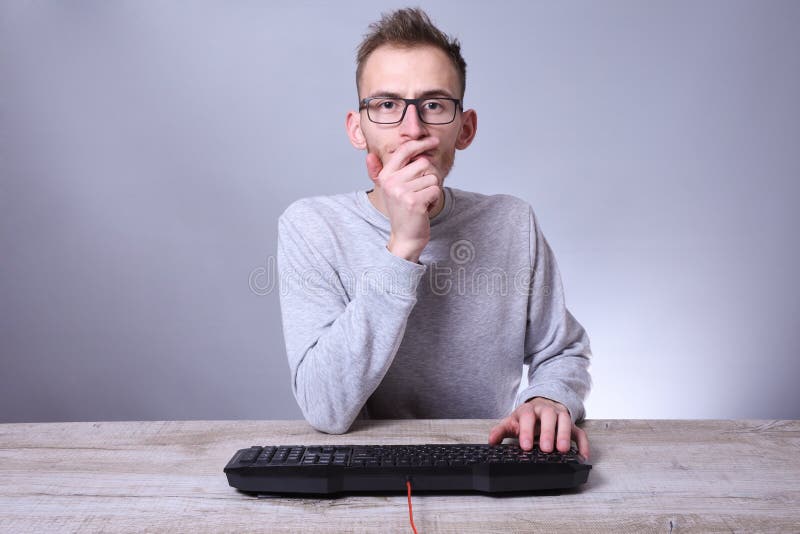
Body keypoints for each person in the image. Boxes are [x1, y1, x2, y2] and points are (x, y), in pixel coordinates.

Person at [277, 8, 592, 458]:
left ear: (465, 129)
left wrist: (548, 398)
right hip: (362, 477)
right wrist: (403, 248)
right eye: (386, 105)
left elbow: (561, 351)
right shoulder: (310, 227)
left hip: (487, 462)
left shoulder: (512, 222)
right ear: (357, 129)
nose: (412, 130)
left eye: (434, 105)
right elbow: (325, 408)